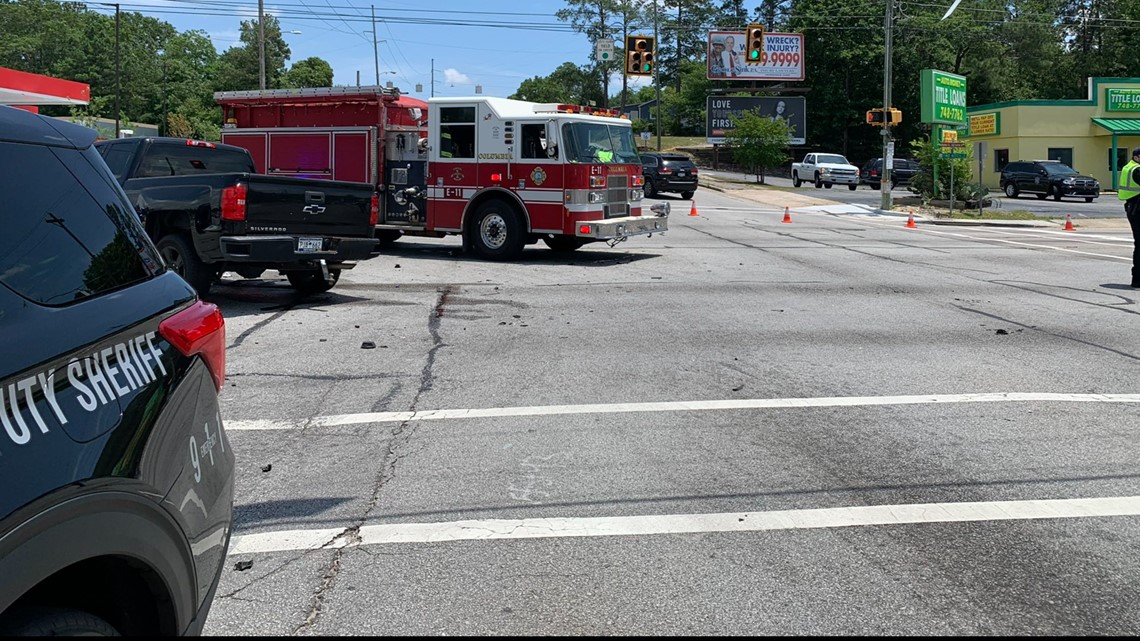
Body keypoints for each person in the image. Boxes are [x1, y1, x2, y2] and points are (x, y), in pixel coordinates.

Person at [1120, 146, 1140, 287]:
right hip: (1137, 208)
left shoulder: (1129, 167)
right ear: (1136, 157)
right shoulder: (1137, 170)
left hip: (1133, 207)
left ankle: (1137, 279)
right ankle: (1138, 279)